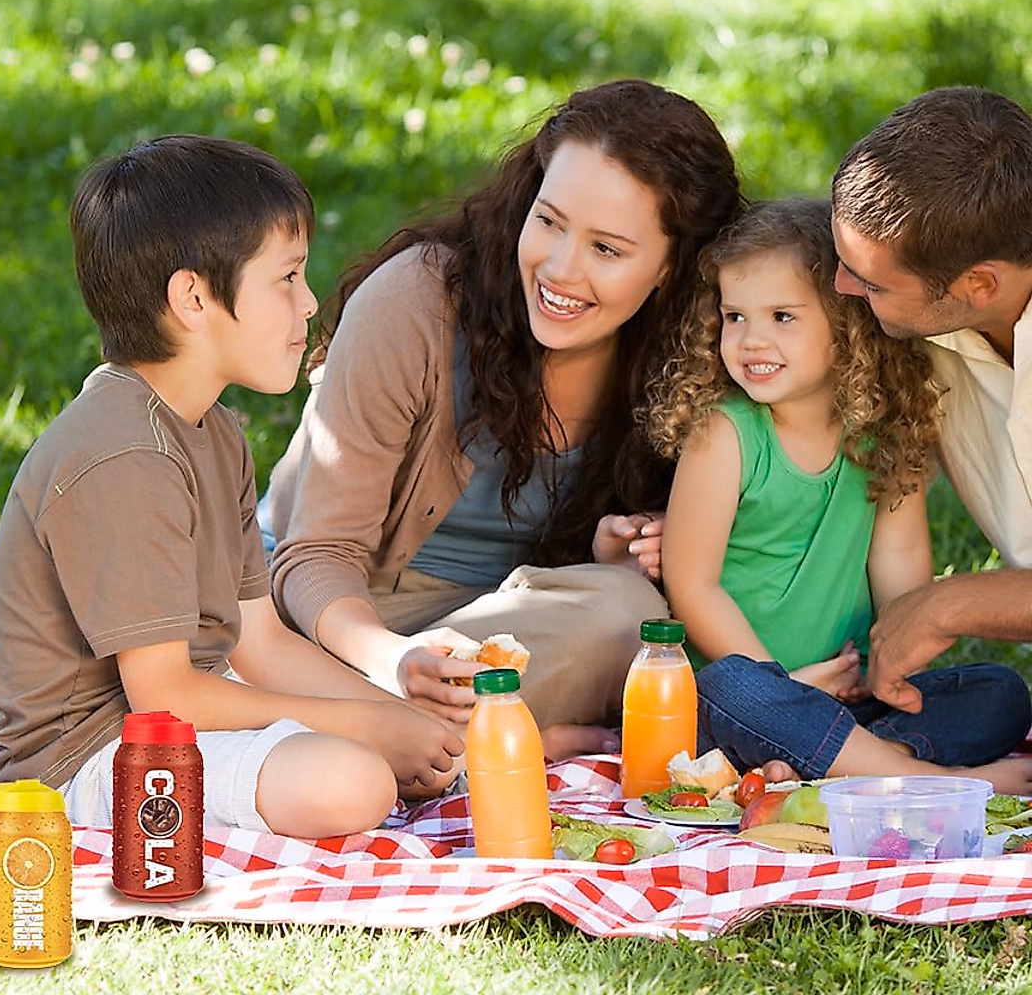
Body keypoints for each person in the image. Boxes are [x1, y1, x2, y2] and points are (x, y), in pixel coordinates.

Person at [0, 135, 464, 840]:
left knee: (406, 746)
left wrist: (391, 714)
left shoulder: (214, 431)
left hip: (190, 710)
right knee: (352, 779)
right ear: (194, 298)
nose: (309, 303)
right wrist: (365, 726)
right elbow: (164, 699)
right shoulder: (126, 456)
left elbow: (259, 641)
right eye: (287, 277)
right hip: (91, 756)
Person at [261, 78, 746, 759]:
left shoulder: (698, 359)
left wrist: (622, 553)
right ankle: (488, 741)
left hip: (507, 632)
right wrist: (392, 660)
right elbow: (314, 555)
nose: (560, 269)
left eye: (607, 249)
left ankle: (409, 741)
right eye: (549, 222)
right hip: (341, 619)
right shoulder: (415, 304)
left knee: (628, 615)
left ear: (672, 265)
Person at [649, 197, 1032, 792]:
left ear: (846, 327)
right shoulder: (724, 434)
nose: (751, 340)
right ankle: (932, 780)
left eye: (782, 317)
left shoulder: (887, 432)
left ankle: (851, 762)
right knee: (730, 689)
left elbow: (900, 560)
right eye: (735, 316)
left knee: (1000, 693)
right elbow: (692, 585)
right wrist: (781, 683)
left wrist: (892, 669)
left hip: (851, 695)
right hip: (748, 700)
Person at [829, 86, 1032, 715]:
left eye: (872, 283)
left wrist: (949, 604)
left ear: (979, 284)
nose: (841, 286)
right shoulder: (928, 329)